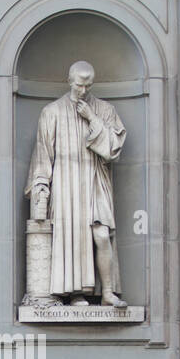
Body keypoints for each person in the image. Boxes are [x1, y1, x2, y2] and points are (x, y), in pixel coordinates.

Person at [25, 60, 128, 307]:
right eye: (80, 85)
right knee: (72, 238)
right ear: (70, 81)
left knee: (101, 235)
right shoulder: (52, 112)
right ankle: (76, 293)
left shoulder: (104, 110)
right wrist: (42, 187)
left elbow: (113, 148)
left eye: (88, 85)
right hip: (65, 183)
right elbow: (43, 154)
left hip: (94, 180)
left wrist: (91, 117)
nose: (83, 90)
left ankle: (107, 293)